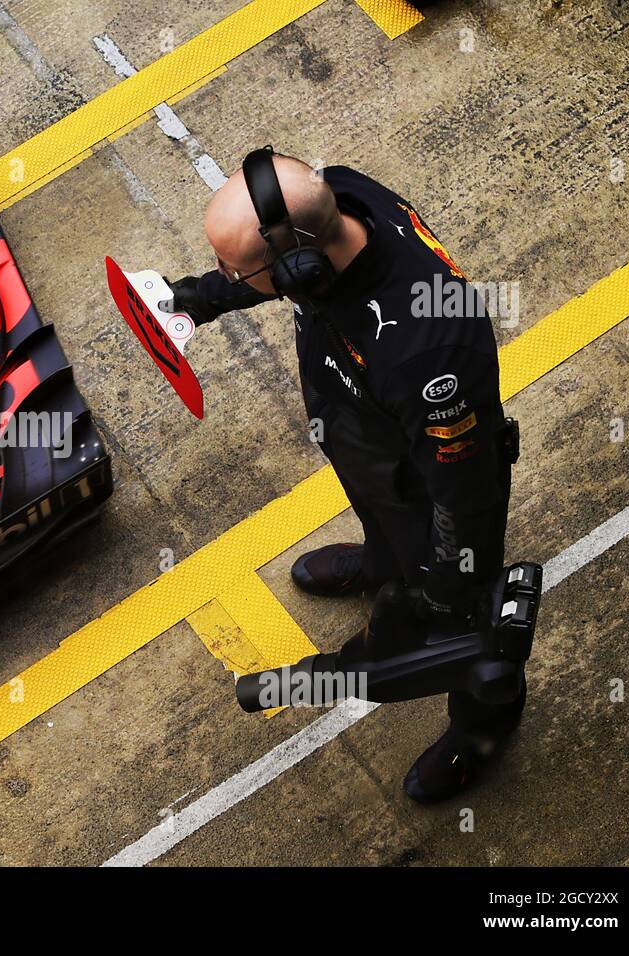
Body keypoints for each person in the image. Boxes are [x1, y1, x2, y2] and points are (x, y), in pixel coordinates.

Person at [166, 147, 522, 801]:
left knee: (469, 628)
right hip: (371, 443)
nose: (226, 274)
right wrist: (197, 299)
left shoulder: (428, 351)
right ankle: (384, 564)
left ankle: (483, 727)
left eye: (234, 269)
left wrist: (443, 595)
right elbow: (262, 270)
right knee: (387, 530)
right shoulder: (343, 198)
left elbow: (461, 496)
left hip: (431, 482)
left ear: (298, 265)